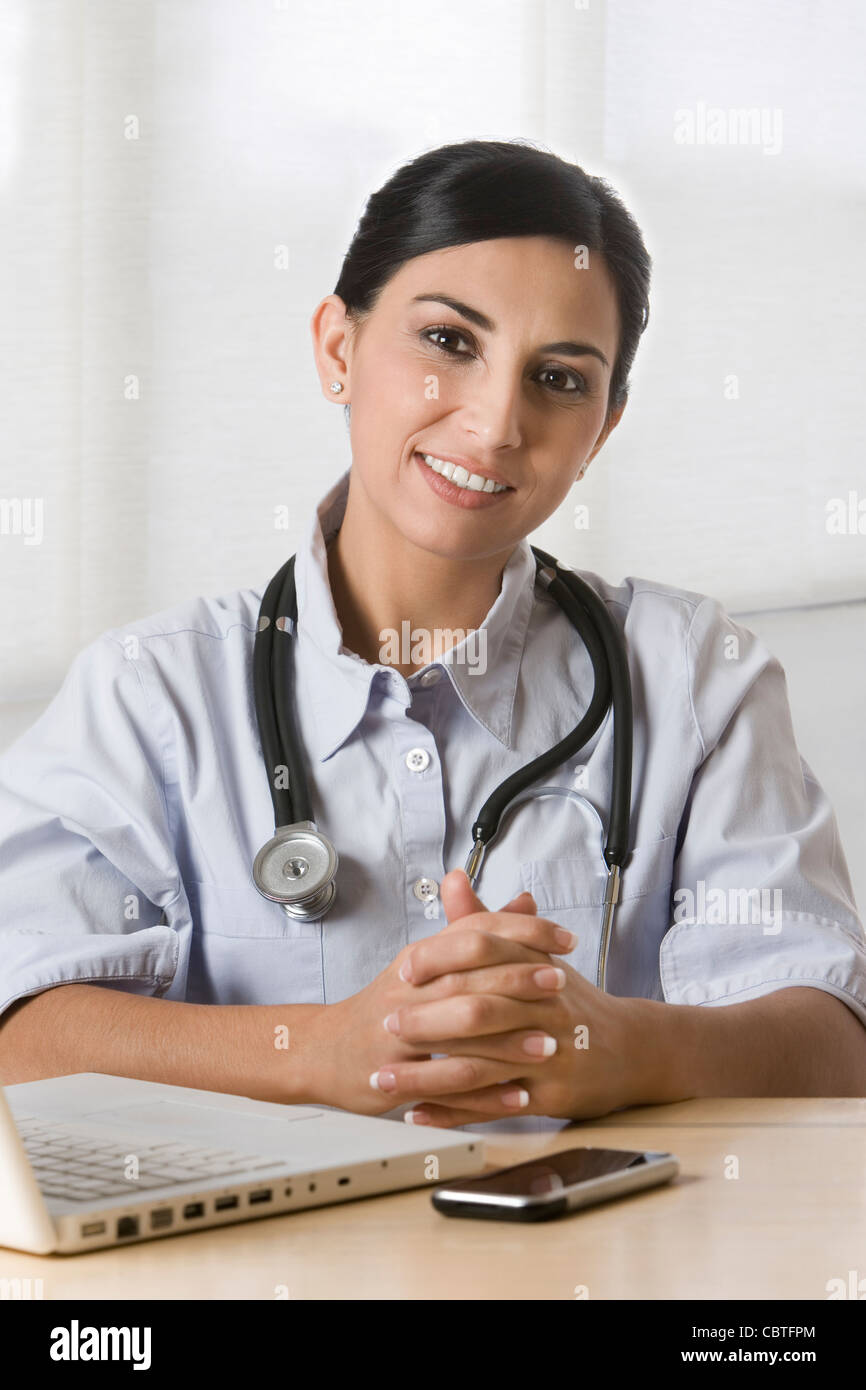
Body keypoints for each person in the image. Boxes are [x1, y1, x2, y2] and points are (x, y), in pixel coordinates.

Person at [1, 139, 864, 1134]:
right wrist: (319, 1052)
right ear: (337, 348)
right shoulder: (150, 695)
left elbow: (830, 1044)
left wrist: (621, 1047)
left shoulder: (692, 679)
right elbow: (23, 1030)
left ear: (603, 431)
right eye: (448, 341)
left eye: (559, 378)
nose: (497, 421)